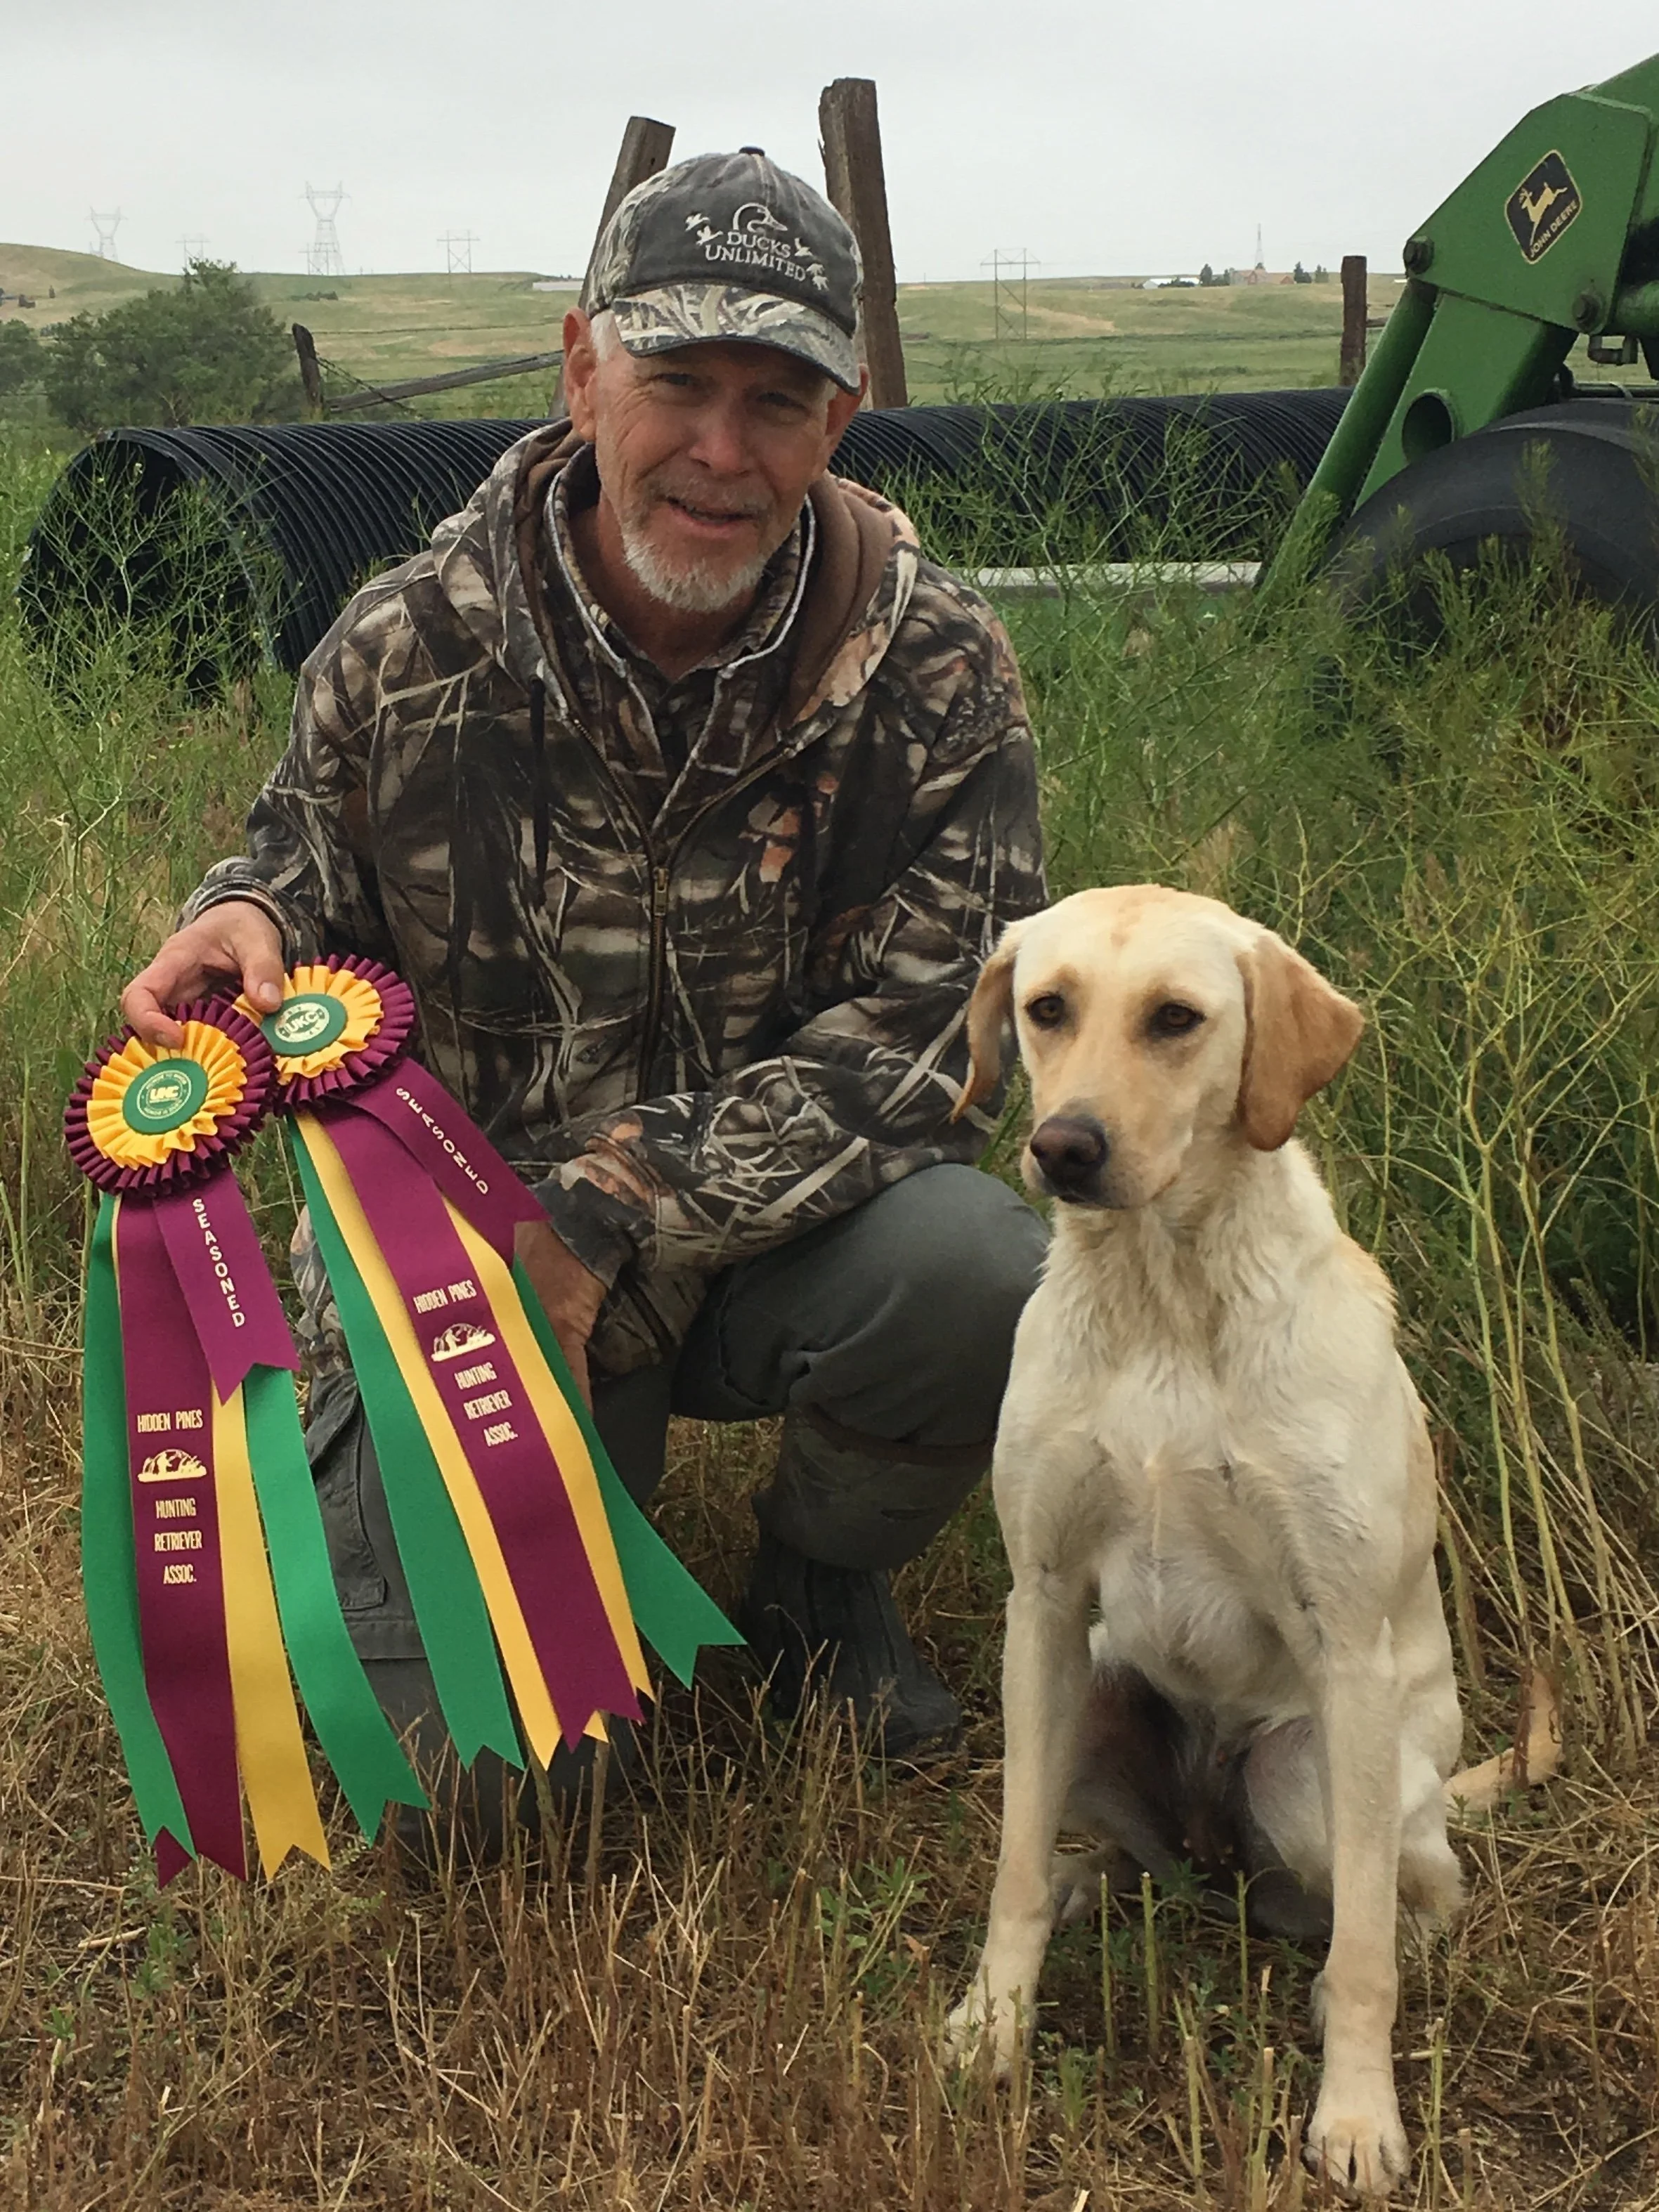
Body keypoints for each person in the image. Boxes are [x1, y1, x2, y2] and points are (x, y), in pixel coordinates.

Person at [122, 148, 1048, 1845]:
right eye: (676, 381)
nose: (720, 446)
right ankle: (523, 1530)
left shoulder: (936, 671)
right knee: (486, 1810)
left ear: (838, 421)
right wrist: (238, 920)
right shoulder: (405, 644)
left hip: (764, 1243)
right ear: (579, 368)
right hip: (465, 1294)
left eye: (777, 397)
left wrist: (612, 1202)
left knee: (986, 1263)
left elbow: (940, 1039)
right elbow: (294, 863)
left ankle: (813, 1589)